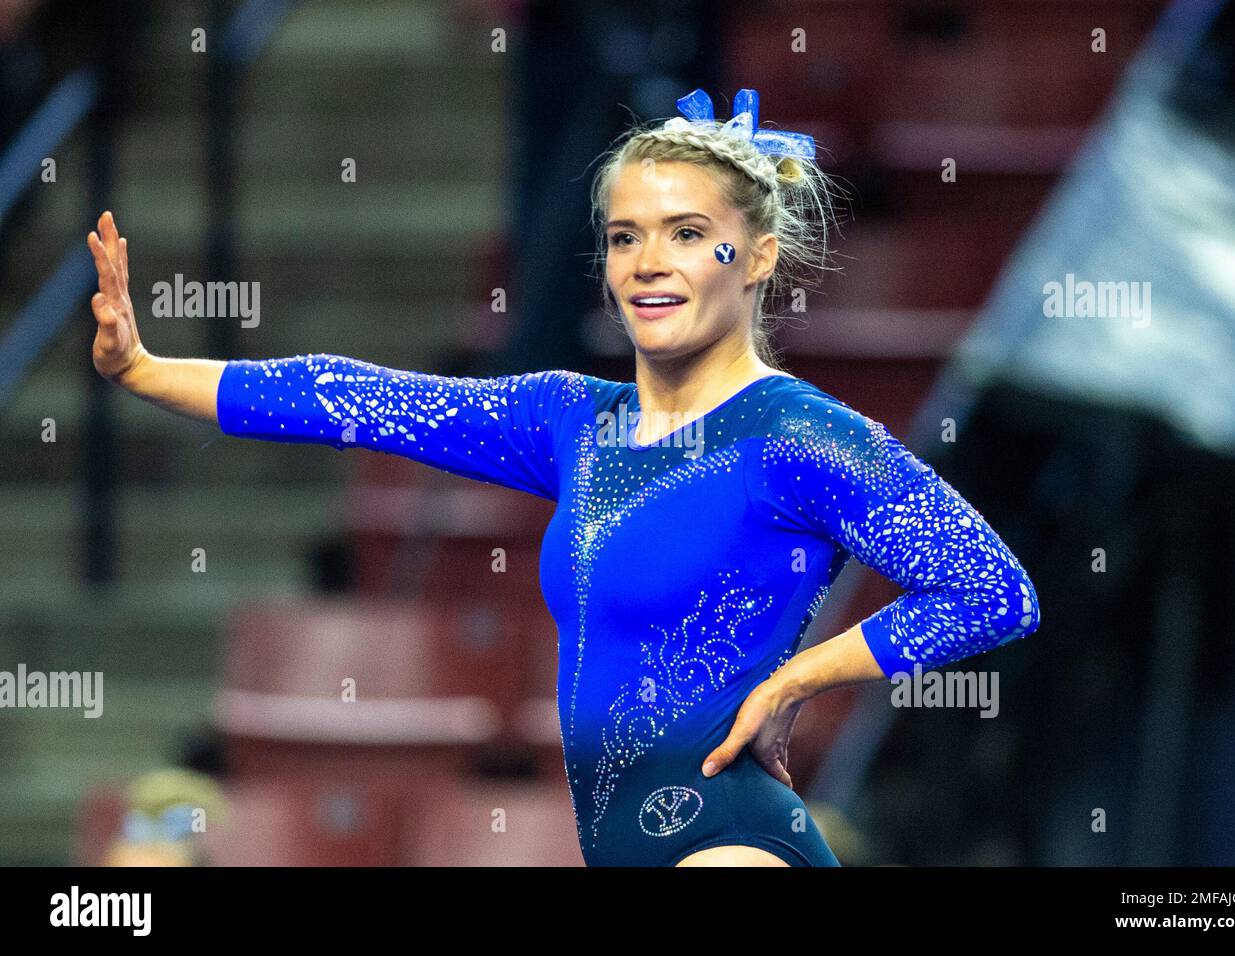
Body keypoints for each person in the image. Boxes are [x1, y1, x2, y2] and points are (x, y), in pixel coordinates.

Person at [86, 87, 1041, 867]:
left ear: (757, 257)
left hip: (734, 844)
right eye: (625, 236)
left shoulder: (800, 437)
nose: (646, 264)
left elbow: (992, 588)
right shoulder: (573, 422)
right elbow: (355, 398)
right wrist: (145, 369)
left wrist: (798, 681)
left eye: (684, 232)